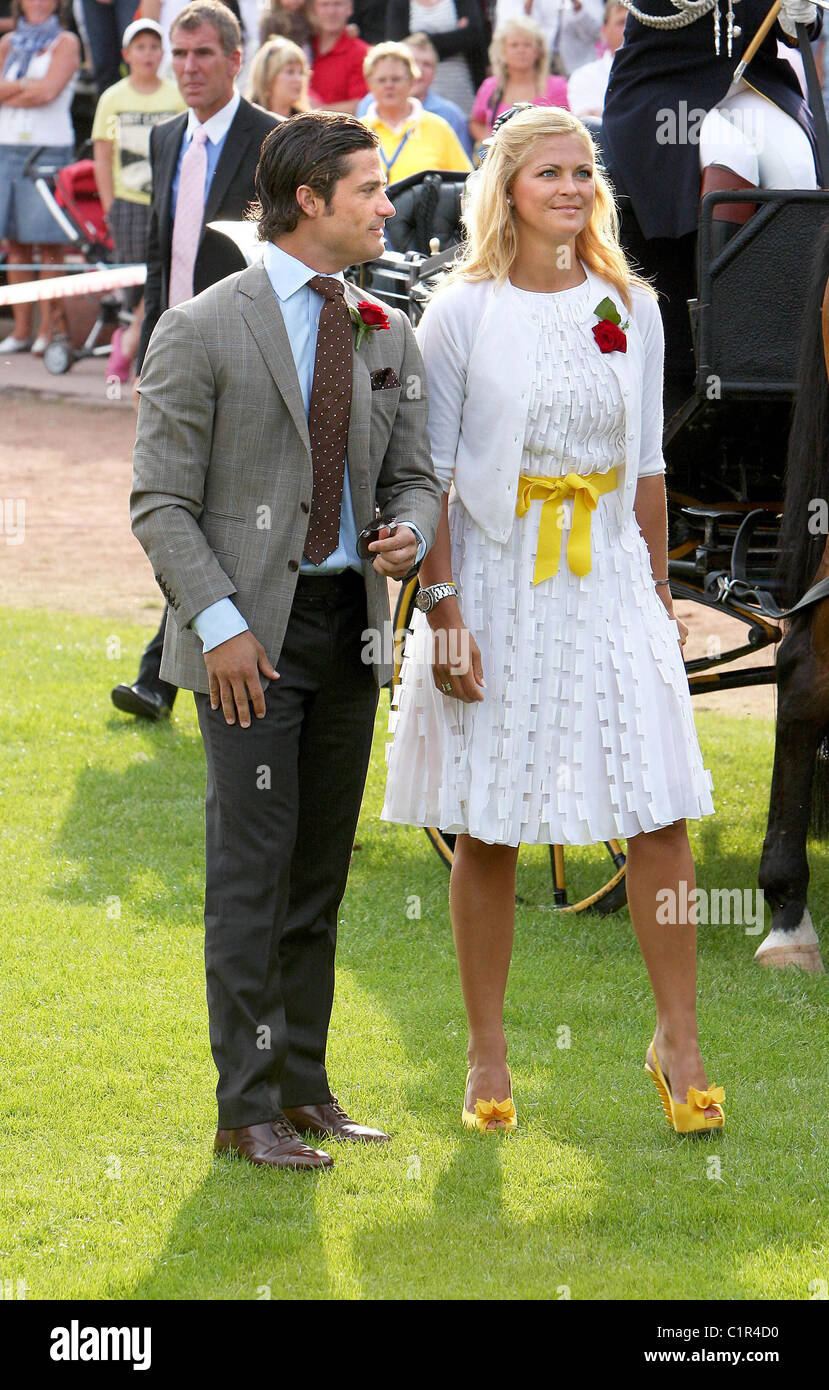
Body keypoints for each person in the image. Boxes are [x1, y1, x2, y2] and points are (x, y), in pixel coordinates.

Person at [382, 105, 723, 1138]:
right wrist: (441, 614)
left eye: (583, 172)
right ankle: (487, 1053)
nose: (571, 189)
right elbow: (432, 476)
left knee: (657, 807)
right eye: (549, 174)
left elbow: (650, 468)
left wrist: (659, 602)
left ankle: (680, 1040)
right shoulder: (461, 312)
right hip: (494, 572)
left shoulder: (631, 304)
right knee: (487, 824)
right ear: (509, 189)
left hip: (609, 573)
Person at [130, 111, 443, 1170]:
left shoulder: (383, 328)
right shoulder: (200, 327)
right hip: (242, 646)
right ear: (311, 198)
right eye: (370, 187)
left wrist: (409, 528)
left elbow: (413, 473)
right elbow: (160, 504)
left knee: (317, 876)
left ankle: (303, 1086)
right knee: (252, 879)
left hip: (347, 636)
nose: (387, 205)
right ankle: (244, 1105)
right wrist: (218, 628)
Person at [110, 0, 278, 723]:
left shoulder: (272, 138)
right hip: (177, 359)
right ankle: (164, 671)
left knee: (210, 516)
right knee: (171, 508)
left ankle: (165, 672)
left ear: (236, 59)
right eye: (179, 55)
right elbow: (159, 252)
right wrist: (149, 351)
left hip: (247, 357)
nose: (187, 68)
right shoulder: (166, 136)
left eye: (202, 53)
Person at [602, 0, 822, 414]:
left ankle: (788, 333)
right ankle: (720, 327)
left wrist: (801, 15)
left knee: (796, 168)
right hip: (665, 81)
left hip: (754, 79)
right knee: (730, 151)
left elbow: (794, 32)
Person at [91, 17, 186, 383]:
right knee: (133, 285)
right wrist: (110, 206)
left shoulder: (176, 96)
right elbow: (104, 155)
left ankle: (132, 349)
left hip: (167, 201)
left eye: (154, 47)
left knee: (158, 276)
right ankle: (132, 344)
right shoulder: (113, 98)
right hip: (128, 202)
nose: (148, 54)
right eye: (140, 47)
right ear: (126, 54)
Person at [0, 0, 79, 356]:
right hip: (7, 148)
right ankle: (21, 330)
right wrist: (29, 86)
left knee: (49, 245)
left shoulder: (67, 42)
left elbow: (50, 91)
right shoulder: (7, 43)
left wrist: (12, 89)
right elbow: (40, 89)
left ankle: (48, 329)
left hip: (48, 149)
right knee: (15, 245)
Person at [361, 40, 472, 181]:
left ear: (412, 81)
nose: (389, 86)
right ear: (369, 84)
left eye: (396, 79)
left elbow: (466, 182)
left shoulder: (438, 127)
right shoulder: (359, 131)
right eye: (382, 80)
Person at [469, 13, 568, 145]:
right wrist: (492, 142)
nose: (521, 50)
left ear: (538, 51)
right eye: (514, 45)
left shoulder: (557, 86)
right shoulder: (490, 86)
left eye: (527, 45)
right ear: (503, 51)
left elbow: (567, 126)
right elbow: (476, 122)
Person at [386, 0, 489, 117]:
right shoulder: (399, 3)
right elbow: (398, 45)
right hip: (417, 97)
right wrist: (456, 36)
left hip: (461, 90)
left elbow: (473, 35)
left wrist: (420, 39)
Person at [567, 0, 626, 118]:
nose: (627, 30)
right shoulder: (584, 76)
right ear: (604, 31)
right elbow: (590, 124)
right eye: (621, 23)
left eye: (633, 23)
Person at [308, 0, 368, 112]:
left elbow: (363, 105)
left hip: (342, 128)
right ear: (313, 9)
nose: (331, 11)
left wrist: (317, 111)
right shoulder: (304, 46)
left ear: (350, 8)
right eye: (324, 4)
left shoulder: (362, 53)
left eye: (338, 4)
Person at [247, 33, 310, 115]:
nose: (298, 79)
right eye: (290, 72)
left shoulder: (307, 124)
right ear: (268, 77)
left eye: (301, 72)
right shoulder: (246, 118)